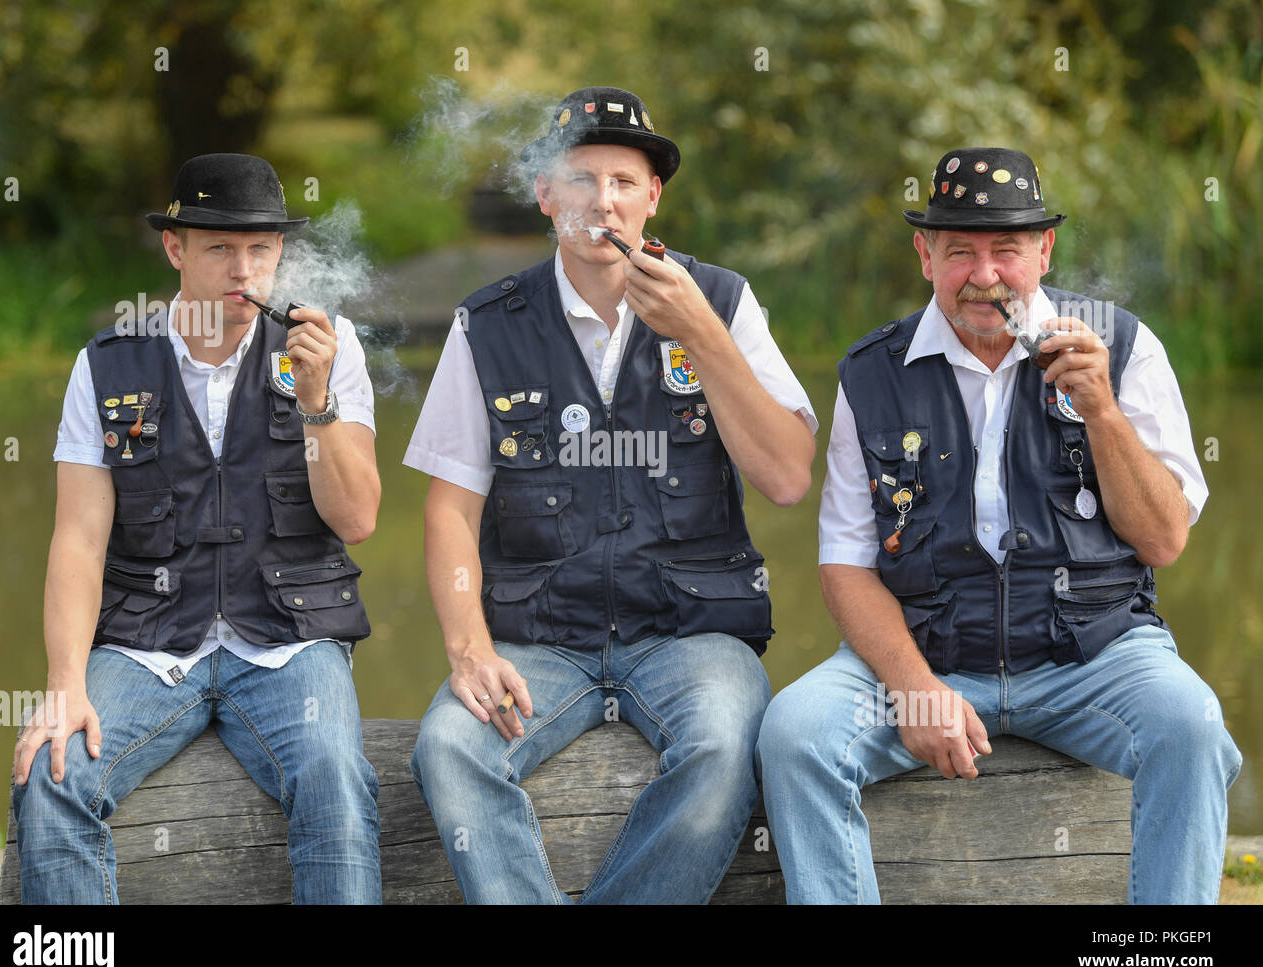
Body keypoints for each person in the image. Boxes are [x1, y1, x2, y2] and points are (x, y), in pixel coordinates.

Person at [756, 146, 1242, 905]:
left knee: (1194, 724)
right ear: (925, 255)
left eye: (1006, 250)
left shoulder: (1122, 347)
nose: (984, 275)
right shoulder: (871, 372)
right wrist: (915, 688)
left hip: (1093, 655)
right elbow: (847, 563)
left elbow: (1165, 539)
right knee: (794, 733)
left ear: (1043, 251)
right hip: (932, 652)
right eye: (960, 252)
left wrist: (1104, 411)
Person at [403, 87, 817, 903]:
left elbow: (789, 476)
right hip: (536, 639)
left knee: (725, 747)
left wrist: (702, 333)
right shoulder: (485, 323)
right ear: (545, 195)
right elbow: (450, 510)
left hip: (692, 634)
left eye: (625, 181)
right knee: (447, 746)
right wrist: (469, 647)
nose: (605, 201)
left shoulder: (723, 301)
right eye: (582, 180)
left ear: (654, 196)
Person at [11, 153, 383, 904]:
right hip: (146, 646)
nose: (242, 270)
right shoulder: (107, 363)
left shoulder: (326, 348)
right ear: (175, 249)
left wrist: (318, 402)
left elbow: (360, 518)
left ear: (281, 251)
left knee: (337, 780)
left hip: (291, 640)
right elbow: (78, 540)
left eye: (260, 248)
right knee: (52, 771)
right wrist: (64, 683)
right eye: (218, 248)